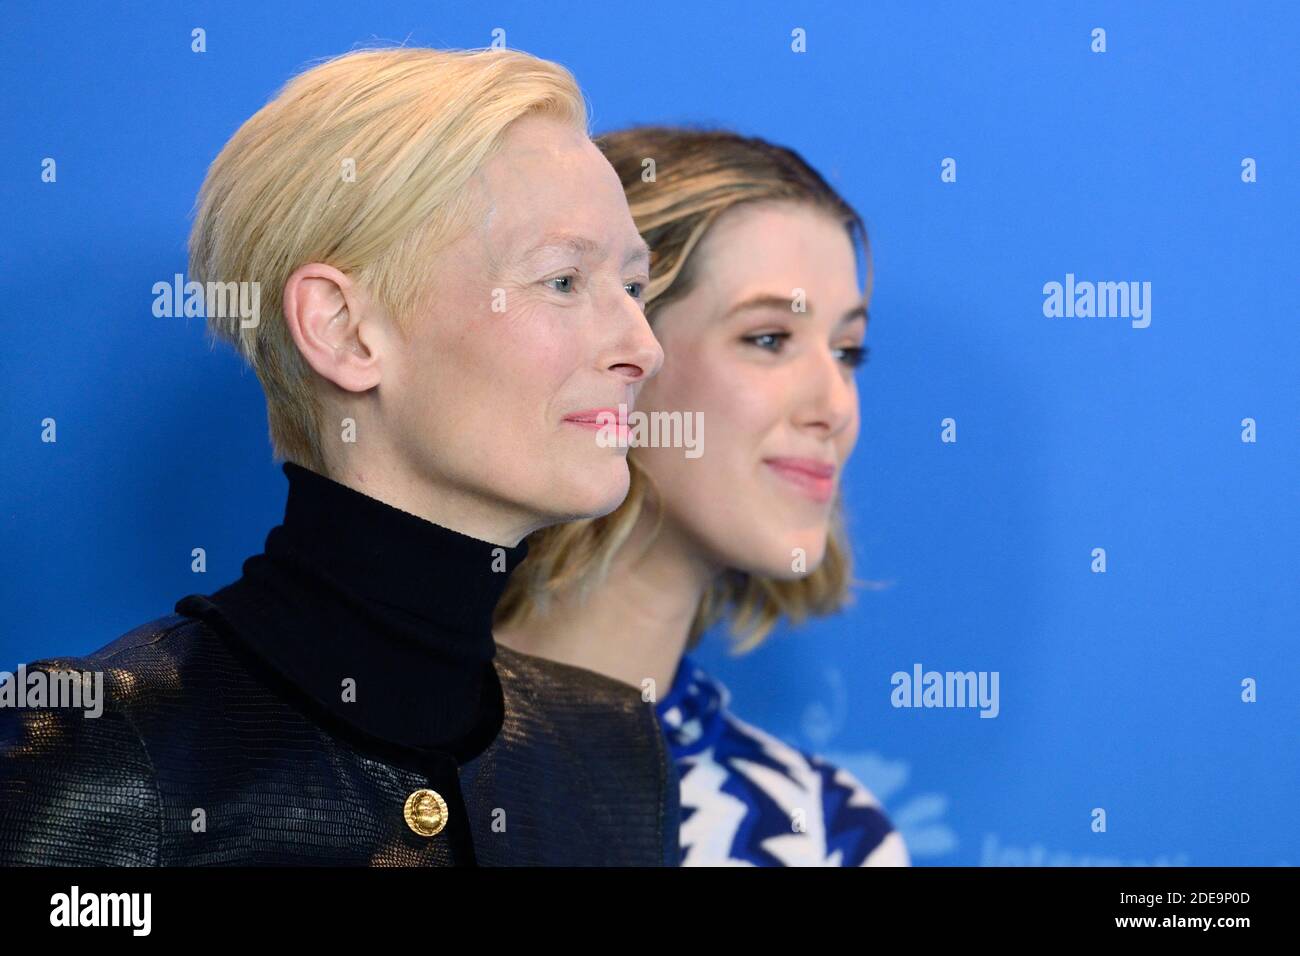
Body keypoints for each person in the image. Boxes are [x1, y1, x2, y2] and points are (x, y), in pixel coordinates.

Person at [0, 48, 679, 866]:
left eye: (635, 289)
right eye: (564, 281)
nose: (642, 348)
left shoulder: (612, 753)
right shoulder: (92, 748)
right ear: (343, 329)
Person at [494, 126, 909, 866]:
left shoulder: (823, 833)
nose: (836, 404)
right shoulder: (332, 753)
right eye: (769, 339)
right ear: (622, 351)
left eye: (848, 351)